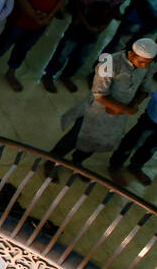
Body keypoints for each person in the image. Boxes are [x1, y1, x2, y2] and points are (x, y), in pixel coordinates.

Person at [50, 37, 156, 172]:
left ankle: (77, 162)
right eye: (142, 62)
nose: (144, 65)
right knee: (76, 137)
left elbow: (144, 89)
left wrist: (132, 105)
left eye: (148, 62)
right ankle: (52, 161)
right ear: (131, 54)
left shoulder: (148, 65)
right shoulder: (109, 62)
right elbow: (99, 94)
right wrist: (124, 109)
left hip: (117, 114)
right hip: (95, 110)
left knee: (97, 141)